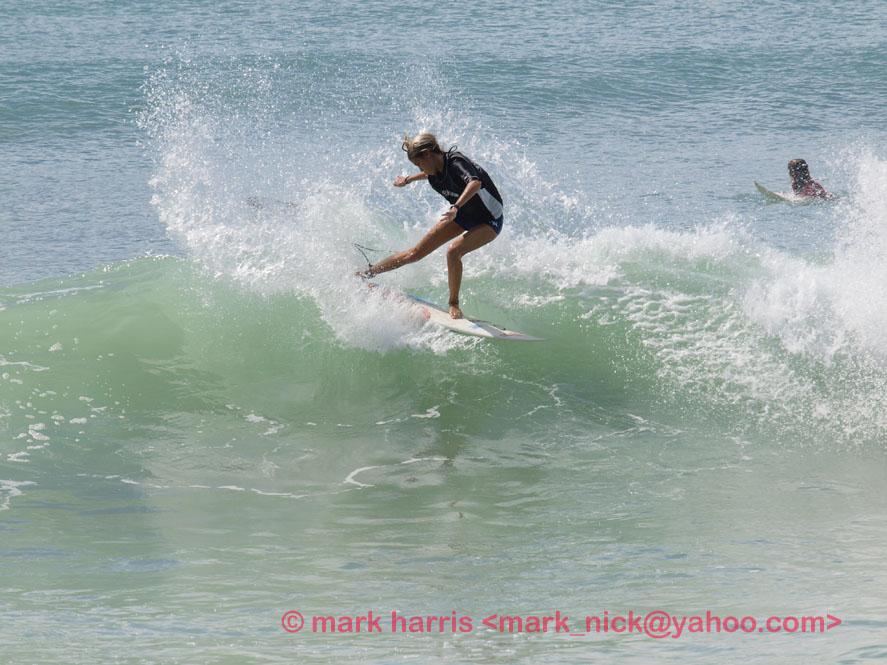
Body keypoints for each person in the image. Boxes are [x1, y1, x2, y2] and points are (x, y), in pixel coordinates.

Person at [360, 133, 504, 319]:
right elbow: (427, 172)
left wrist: (455, 207)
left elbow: (475, 183)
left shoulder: (455, 162)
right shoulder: (433, 172)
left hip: (489, 219)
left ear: (427, 154)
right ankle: (366, 274)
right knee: (414, 253)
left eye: (419, 164)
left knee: (453, 251)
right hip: (463, 215)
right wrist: (408, 180)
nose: (421, 168)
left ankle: (454, 304)